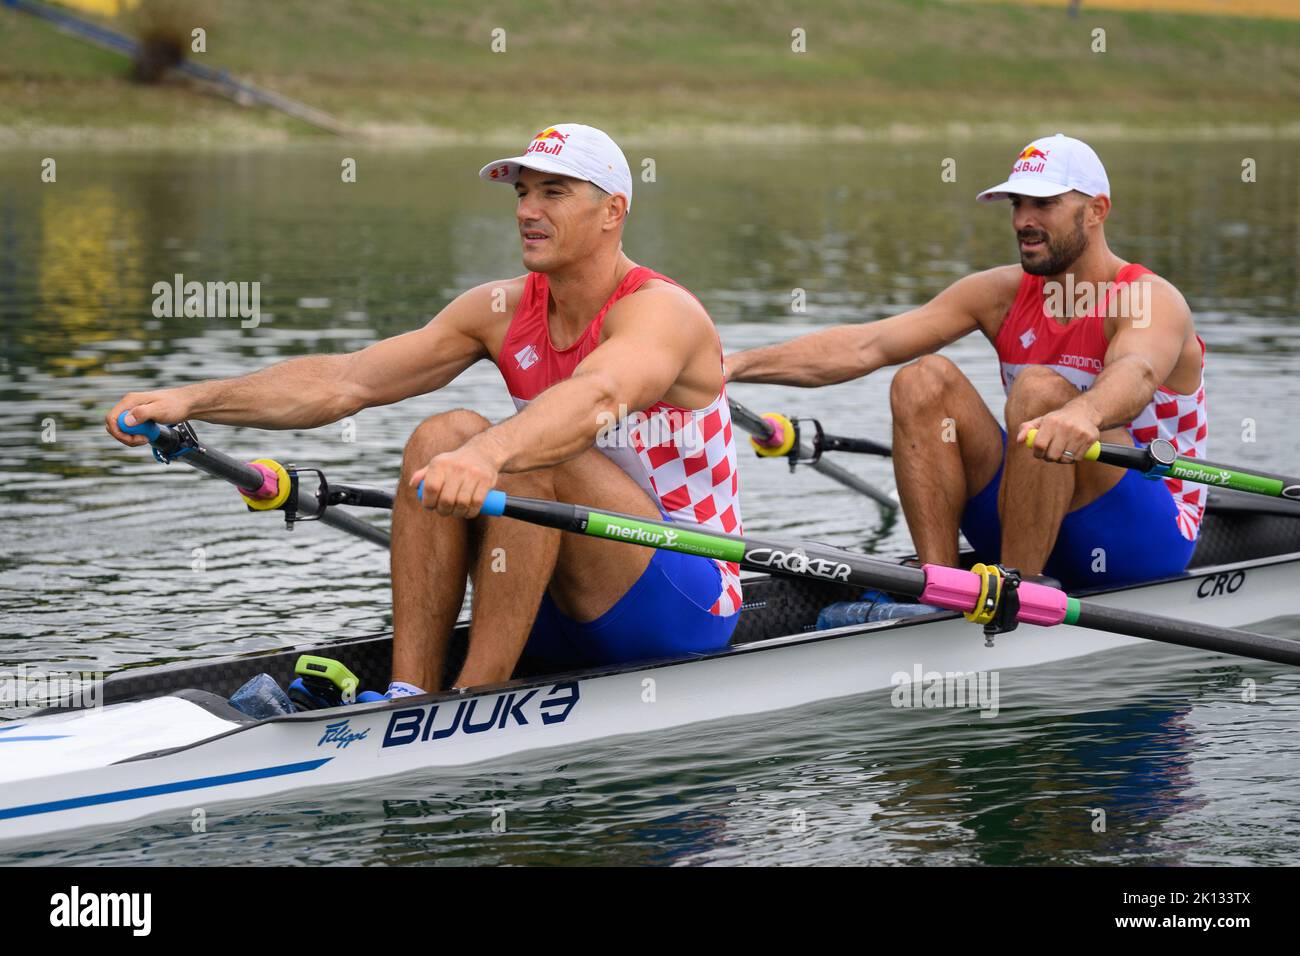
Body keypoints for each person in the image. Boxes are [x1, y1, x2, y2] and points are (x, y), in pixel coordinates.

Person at [107, 123, 743, 695]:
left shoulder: (660, 312)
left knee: (515, 453)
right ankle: (412, 694)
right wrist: (195, 398)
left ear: (612, 212)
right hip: (551, 600)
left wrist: (490, 453)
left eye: (553, 193)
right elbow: (345, 382)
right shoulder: (497, 310)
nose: (527, 210)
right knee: (442, 433)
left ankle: (474, 698)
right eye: (522, 193)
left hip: (681, 598)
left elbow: (599, 396)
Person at [725, 134, 1207, 589]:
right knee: (921, 378)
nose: (1023, 220)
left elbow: (1137, 371)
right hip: (1029, 512)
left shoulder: (1148, 298)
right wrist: (733, 364)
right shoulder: (999, 294)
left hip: (1140, 534)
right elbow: (866, 346)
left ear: (1097, 210)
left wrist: (1084, 412)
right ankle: (942, 584)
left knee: (1039, 389)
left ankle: (1014, 589)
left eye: (1044, 204)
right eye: (1018, 204)